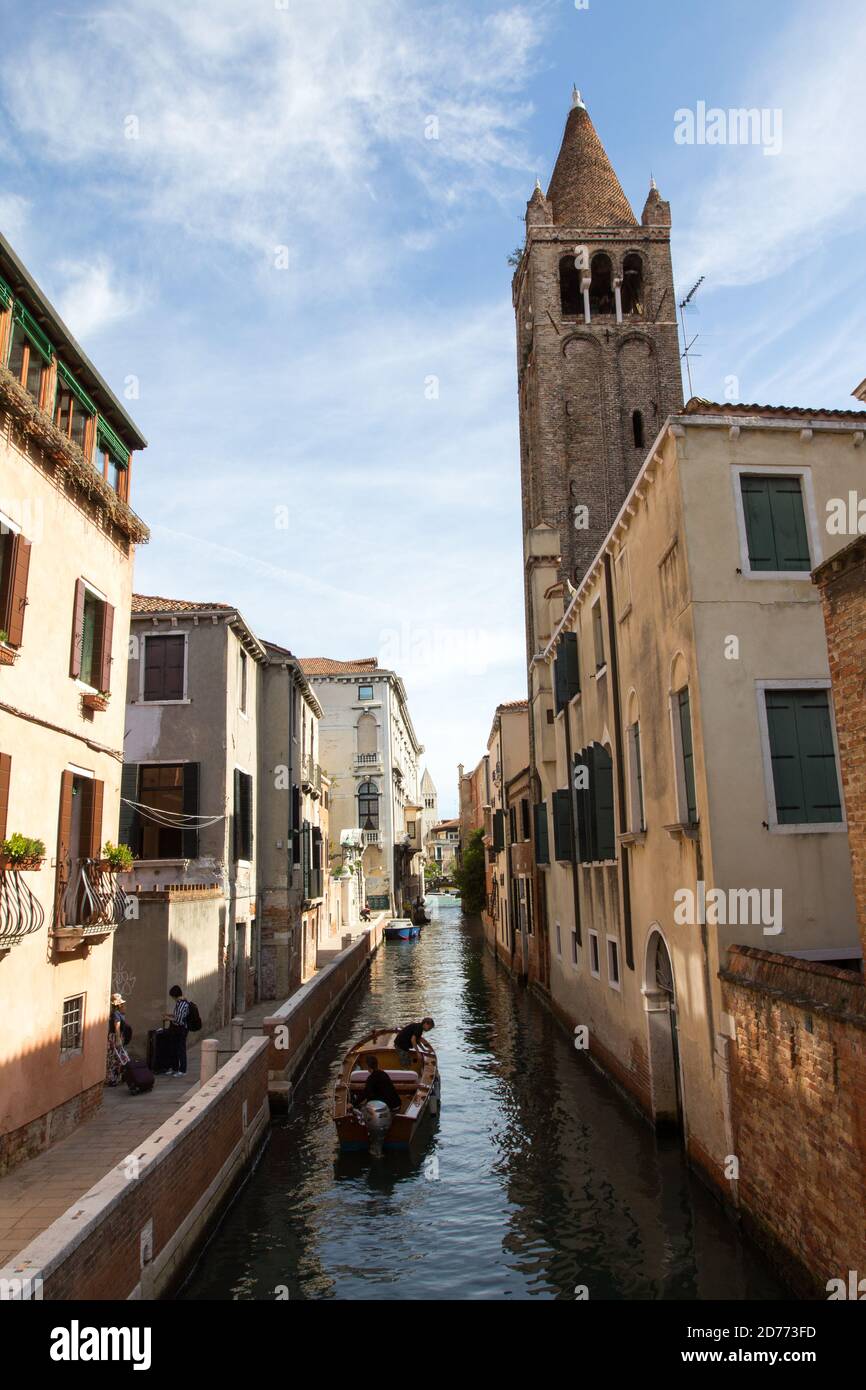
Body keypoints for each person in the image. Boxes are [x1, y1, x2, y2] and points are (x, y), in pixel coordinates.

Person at [162, 985, 190, 1078]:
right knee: (174, 1048)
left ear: (175, 995)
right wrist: (170, 1015)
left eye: (172, 996)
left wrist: (168, 1018)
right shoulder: (179, 1003)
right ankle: (175, 1068)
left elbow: (179, 1020)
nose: (172, 998)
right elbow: (177, 1015)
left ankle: (182, 1070)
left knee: (181, 1049)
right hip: (176, 1029)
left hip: (181, 1029)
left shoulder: (182, 1004)